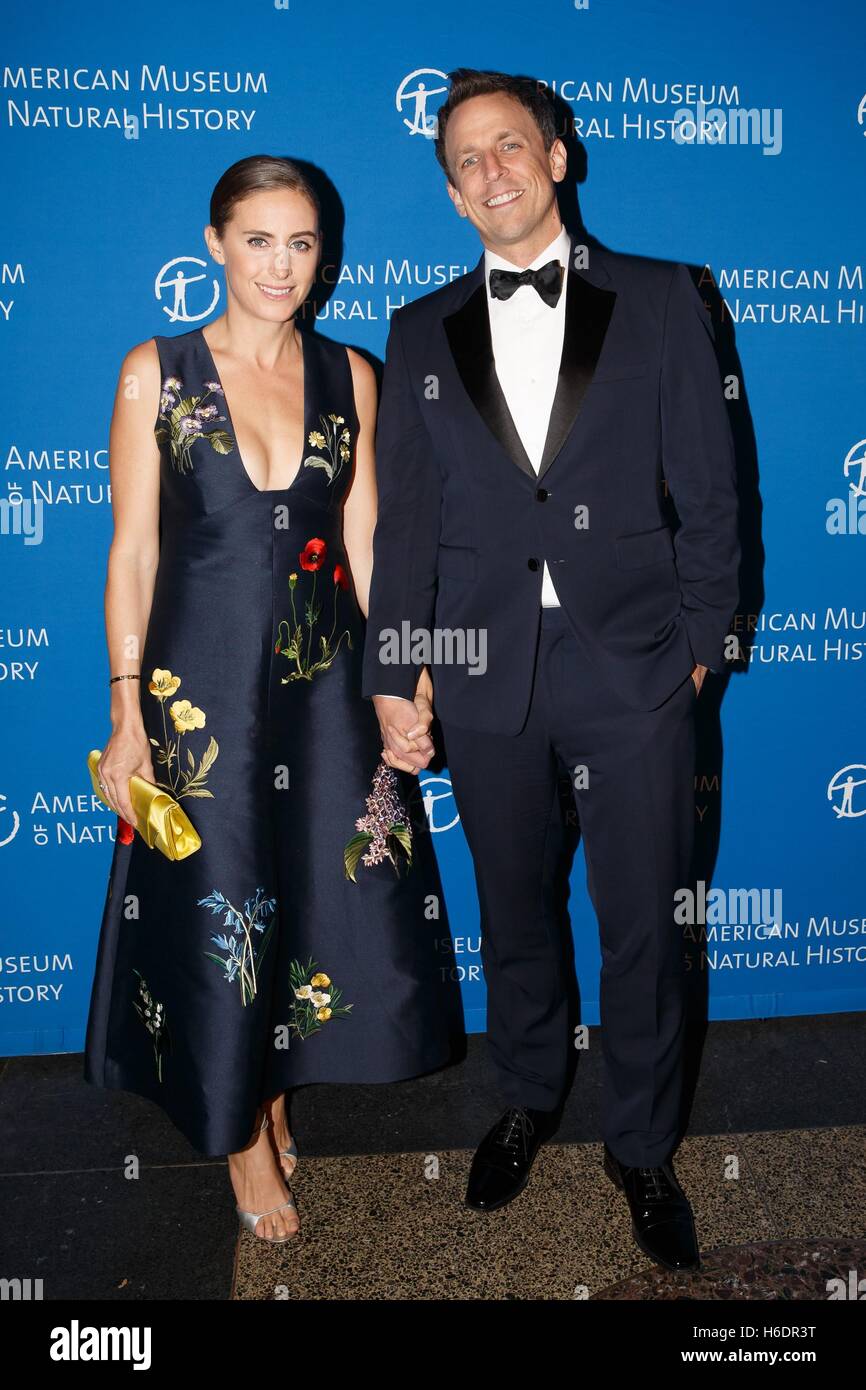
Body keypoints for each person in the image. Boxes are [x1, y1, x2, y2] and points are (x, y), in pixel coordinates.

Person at [362, 69, 740, 1272]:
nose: (491, 171)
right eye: (465, 160)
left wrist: (695, 651)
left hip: (633, 668)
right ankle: (526, 1094)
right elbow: (407, 525)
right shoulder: (420, 330)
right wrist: (397, 667)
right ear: (452, 194)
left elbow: (714, 491)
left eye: (509, 145)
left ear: (558, 156)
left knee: (641, 925)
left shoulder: (668, 298)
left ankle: (638, 1144)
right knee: (512, 911)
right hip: (478, 673)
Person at [84, 154, 458, 1244]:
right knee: (217, 909)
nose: (282, 264)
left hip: (326, 688)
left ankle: (274, 1086)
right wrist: (124, 709)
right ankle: (241, 1137)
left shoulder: (353, 373)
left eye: (301, 243)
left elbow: (368, 542)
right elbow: (134, 553)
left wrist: (405, 672)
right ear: (214, 243)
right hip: (196, 700)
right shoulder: (155, 369)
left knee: (305, 898)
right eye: (259, 239)